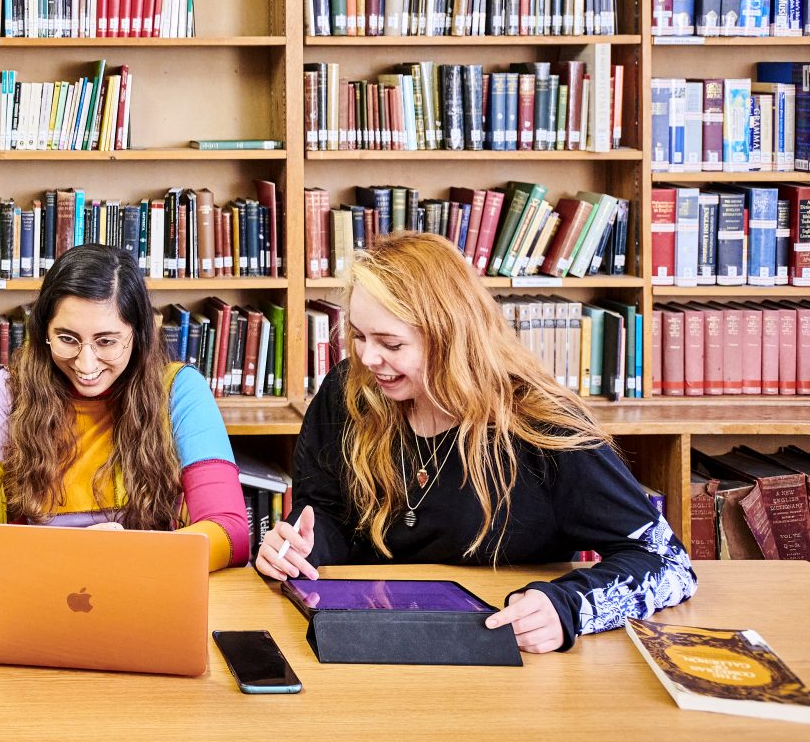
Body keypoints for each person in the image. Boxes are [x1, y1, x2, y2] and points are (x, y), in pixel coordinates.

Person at [255, 231, 696, 653]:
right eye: (359, 336)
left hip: (500, 646)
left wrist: (568, 607)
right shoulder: (348, 392)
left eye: (390, 343)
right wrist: (301, 548)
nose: (369, 358)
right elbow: (330, 513)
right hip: (370, 637)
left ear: (451, 338)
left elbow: (668, 562)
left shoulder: (540, 423)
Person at [0, 243, 250, 569]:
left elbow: (231, 532)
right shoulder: (6, 391)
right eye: (67, 338)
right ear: (44, 331)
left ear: (138, 335)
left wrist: (120, 555)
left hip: (145, 584)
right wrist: (74, 556)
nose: (85, 364)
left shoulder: (179, 390)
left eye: (106, 341)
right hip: (34, 584)